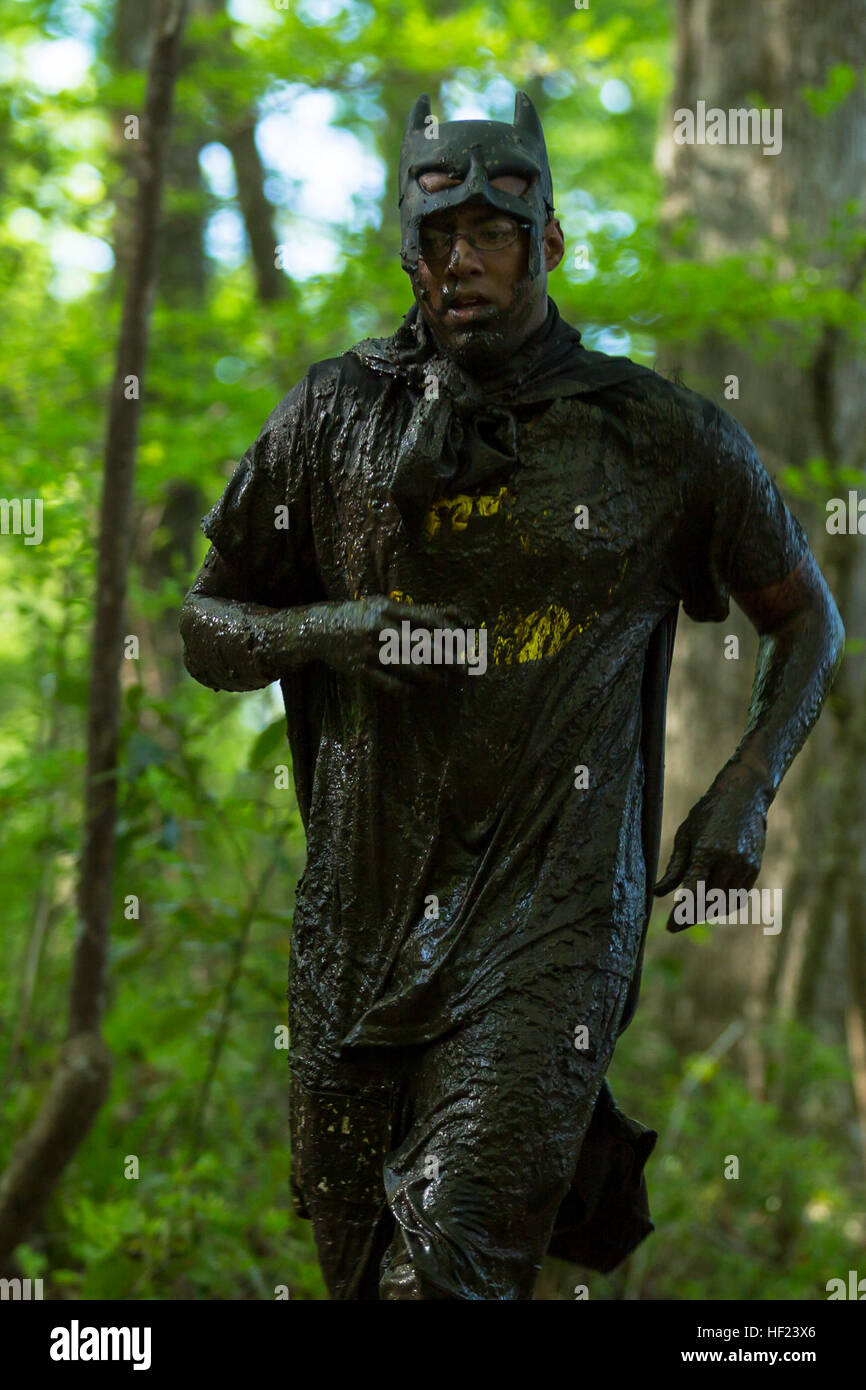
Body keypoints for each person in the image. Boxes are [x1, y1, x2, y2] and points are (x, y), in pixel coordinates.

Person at [179, 91, 844, 1300]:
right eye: (438, 241)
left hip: (557, 919)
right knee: (359, 1268)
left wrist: (743, 787)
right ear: (407, 250)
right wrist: (339, 629)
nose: (462, 264)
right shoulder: (335, 415)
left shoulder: (654, 435)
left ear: (547, 241)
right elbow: (203, 627)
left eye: (492, 233)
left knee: (436, 1280)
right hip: (356, 924)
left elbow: (806, 616)